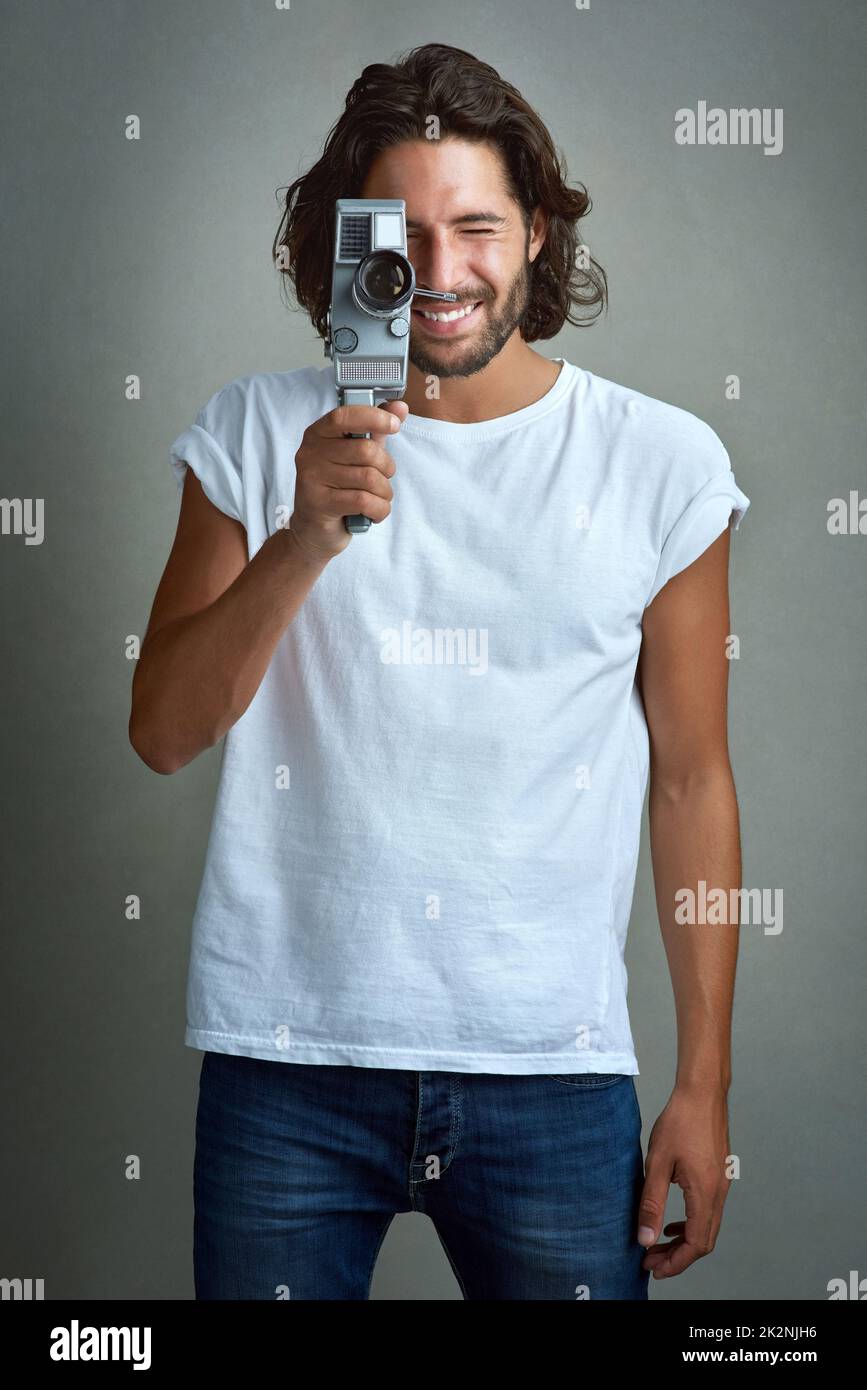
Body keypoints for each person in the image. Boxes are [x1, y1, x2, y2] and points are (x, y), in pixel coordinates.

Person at [129, 43, 750, 1301]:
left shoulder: (660, 464)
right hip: (286, 1064)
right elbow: (162, 730)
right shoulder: (253, 433)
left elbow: (691, 784)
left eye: (478, 227)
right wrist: (304, 534)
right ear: (345, 248)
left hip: (554, 1072)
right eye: (404, 236)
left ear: (535, 234)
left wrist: (701, 1082)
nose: (444, 274)